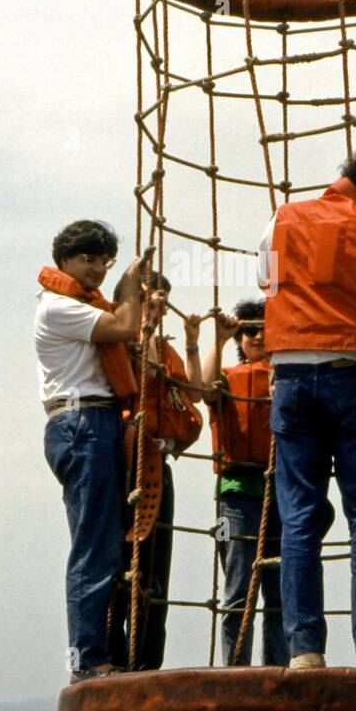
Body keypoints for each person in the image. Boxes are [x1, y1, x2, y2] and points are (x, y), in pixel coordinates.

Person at [258, 147, 356, 670]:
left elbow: (266, 277)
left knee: (300, 518)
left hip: (290, 379)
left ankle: (304, 650)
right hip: (354, 380)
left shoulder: (284, 218)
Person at [35, 220, 141, 682]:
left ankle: (105, 655)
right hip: (83, 423)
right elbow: (124, 325)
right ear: (63, 261)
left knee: (107, 546)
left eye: (104, 261)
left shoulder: (77, 305)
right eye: (87, 260)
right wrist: (130, 286)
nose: (96, 269)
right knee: (94, 548)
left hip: (94, 423)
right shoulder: (59, 307)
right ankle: (88, 659)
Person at [111, 272, 203, 670]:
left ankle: (146, 664)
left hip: (157, 465)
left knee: (155, 571)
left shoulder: (164, 351)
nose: (161, 299)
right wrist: (142, 330)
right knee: (117, 566)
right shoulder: (116, 340)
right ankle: (112, 659)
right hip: (122, 462)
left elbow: (195, 395)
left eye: (165, 293)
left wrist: (193, 343)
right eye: (151, 294)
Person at [196, 298, 288, 667]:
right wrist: (216, 340)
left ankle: (277, 668)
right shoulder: (226, 378)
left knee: (280, 592)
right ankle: (236, 668)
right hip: (235, 497)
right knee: (237, 592)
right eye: (249, 329)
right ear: (240, 337)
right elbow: (202, 391)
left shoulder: (288, 378)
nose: (258, 335)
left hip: (283, 494)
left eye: (266, 327)